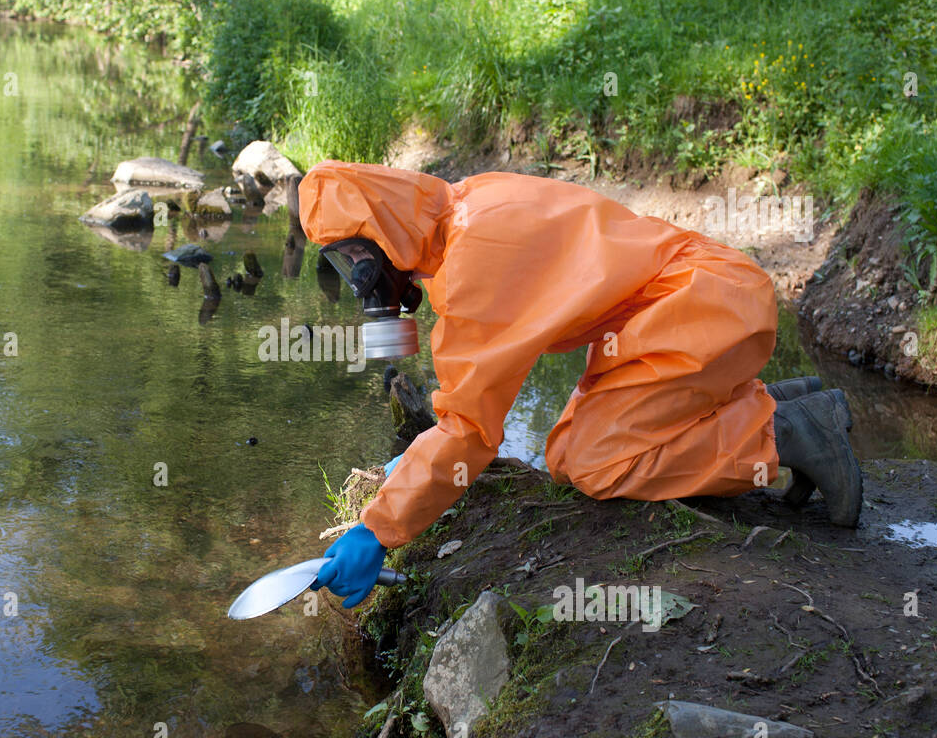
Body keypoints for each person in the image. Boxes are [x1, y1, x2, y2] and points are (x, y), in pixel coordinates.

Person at [300, 160, 862, 609]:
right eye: (342, 262)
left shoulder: (471, 271)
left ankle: (784, 431)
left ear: (383, 226)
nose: (359, 278)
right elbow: (466, 401)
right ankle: (778, 401)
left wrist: (377, 531)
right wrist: (420, 461)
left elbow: (469, 430)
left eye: (356, 256)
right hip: (702, 300)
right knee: (566, 453)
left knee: (596, 463)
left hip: (701, 311)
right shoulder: (468, 203)